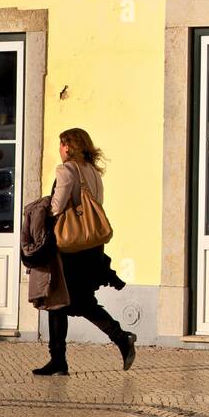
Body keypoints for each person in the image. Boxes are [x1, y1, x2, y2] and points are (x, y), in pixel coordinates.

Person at [32, 128, 137, 377]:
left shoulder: (66, 170)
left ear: (68, 146)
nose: (59, 150)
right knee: (70, 302)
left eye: (61, 145)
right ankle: (60, 359)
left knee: (65, 301)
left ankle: (119, 338)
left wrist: (40, 210)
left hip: (69, 247)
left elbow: (56, 208)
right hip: (90, 246)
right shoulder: (93, 171)